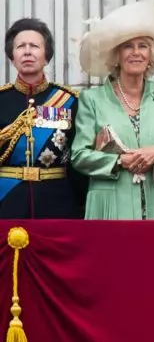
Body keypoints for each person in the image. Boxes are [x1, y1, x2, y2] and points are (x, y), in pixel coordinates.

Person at [71, 1, 154, 219]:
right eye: (128, 46)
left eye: (143, 46)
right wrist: (119, 161)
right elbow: (79, 156)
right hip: (110, 206)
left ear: (150, 54)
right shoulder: (92, 99)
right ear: (116, 55)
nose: (136, 53)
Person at [0, 18, 86, 219]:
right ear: (12, 57)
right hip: (7, 202)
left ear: (46, 56)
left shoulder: (69, 101)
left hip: (57, 202)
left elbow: (77, 160)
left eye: (35, 46)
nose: (27, 51)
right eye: (21, 46)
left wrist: (81, 203)